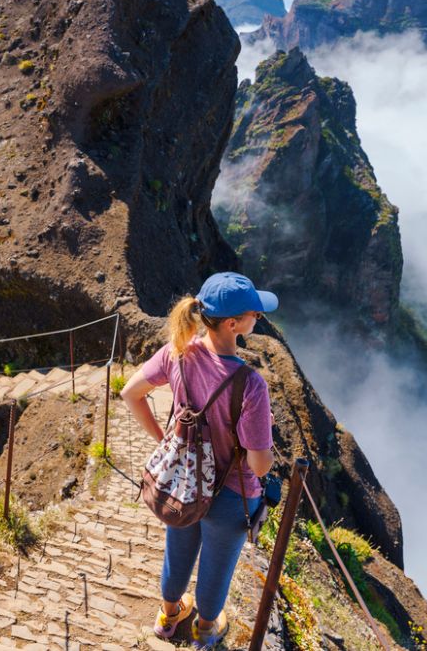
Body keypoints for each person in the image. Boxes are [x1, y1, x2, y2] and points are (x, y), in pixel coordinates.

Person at [120, 272, 277, 648]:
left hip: (184, 481)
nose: (259, 316)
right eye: (253, 312)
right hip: (231, 493)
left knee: (177, 549)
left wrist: (166, 440)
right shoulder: (250, 385)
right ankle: (205, 630)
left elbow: (130, 393)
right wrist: (264, 432)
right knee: (217, 567)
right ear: (232, 324)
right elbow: (259, 466)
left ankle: (169, 616)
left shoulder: (178, 352)